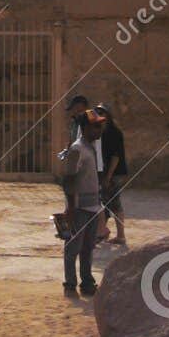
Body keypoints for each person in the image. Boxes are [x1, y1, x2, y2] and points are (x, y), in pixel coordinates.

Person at [59, 108, 103, 297]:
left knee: (87, 249)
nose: (100, 130)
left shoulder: (89, 147)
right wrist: (70, 207)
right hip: (80, 208)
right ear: (85, 127)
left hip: (92, 207)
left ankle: (87, 283)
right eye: (96, 126)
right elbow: (68, 179)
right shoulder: (77, 149)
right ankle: (70, 284)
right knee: (73, 249)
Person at [95, 103, 128, 245]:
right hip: (106, 173)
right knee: (105, 202)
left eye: (103, 113)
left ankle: (120, 235)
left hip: (114, 173)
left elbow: (116, 156)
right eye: (98, 113)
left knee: (114, 203)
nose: (100, 116)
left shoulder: (114, 132)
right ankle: (102, 231)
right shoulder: (100, 132)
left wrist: (108, 176)